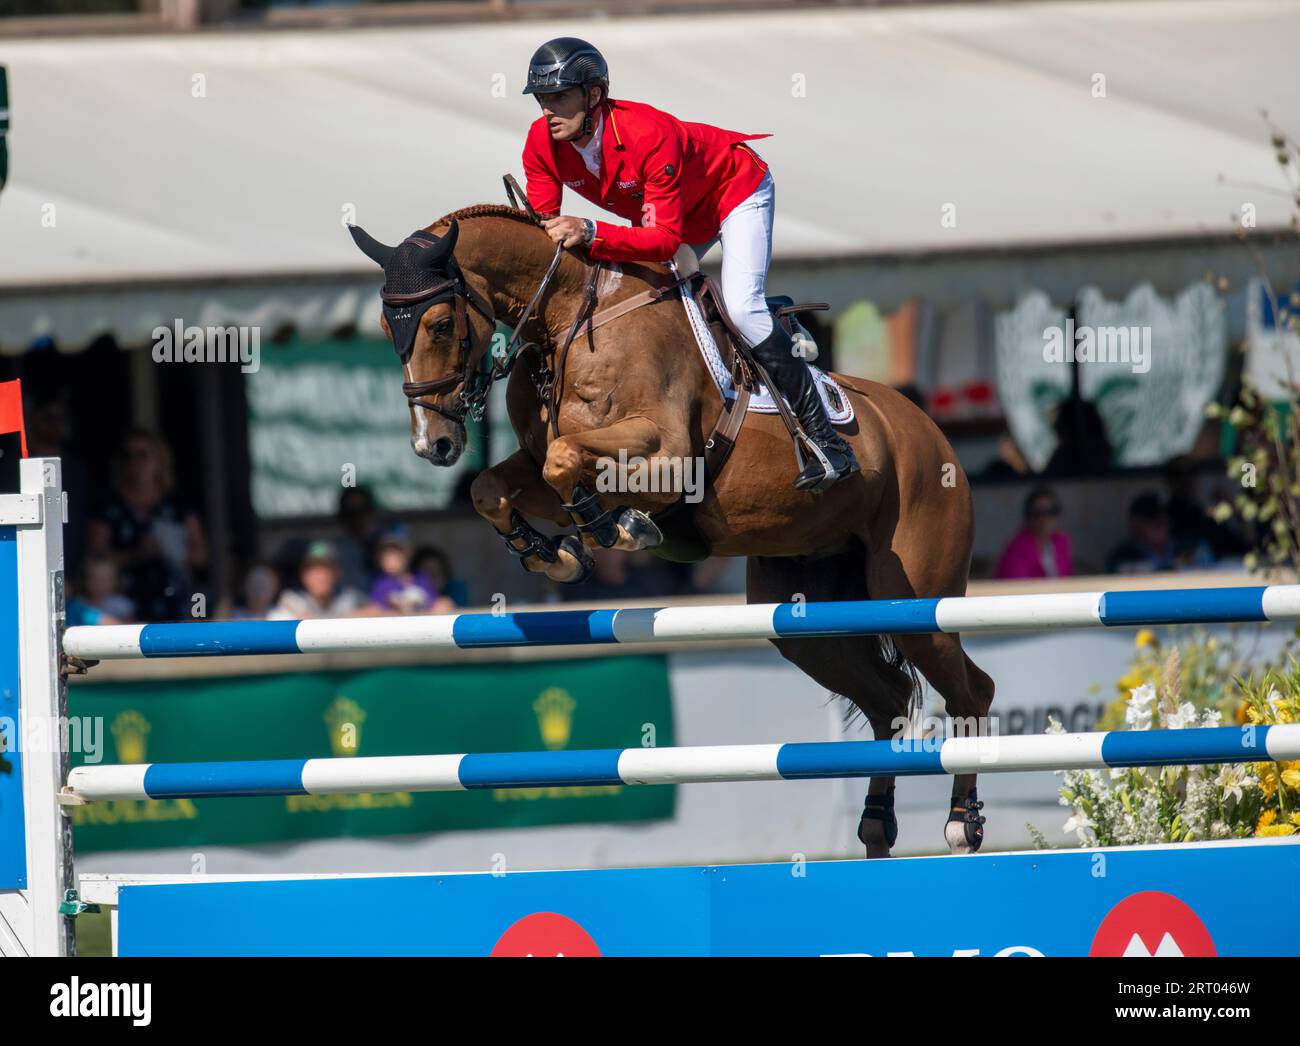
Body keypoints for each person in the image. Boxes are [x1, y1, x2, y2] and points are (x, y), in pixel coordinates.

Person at [520, 37, 858, 492]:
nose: (548, 110)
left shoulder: (647, 133)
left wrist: (594, 232)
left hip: (735, 191)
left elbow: (663, 241)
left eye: (560, 96)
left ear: (594, 95)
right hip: (674, 215)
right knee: (639, 299)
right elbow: (547, 234)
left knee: (742, 307)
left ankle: (827, 442)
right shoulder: (541, 142)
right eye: (543, 98)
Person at [85, 430, 209, 622]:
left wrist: (173, 550)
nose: (135, 463)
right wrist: (136, 554)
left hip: (178, 600)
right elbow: (95, 556)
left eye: (144, 455)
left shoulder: (178, 505)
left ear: (159, 460)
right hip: (124, 606)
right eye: (128, 456)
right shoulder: (108, 506)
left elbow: (201, 557)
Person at [1107, 492, 1214, 574]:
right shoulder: (1122, 555)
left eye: (1164, 518)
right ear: (1136, 524)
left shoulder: (1190, 545)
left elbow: (1210, 566)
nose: (1161, 524)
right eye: (1152, 519)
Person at [268, 541, 373, 620]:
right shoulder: (292, 599)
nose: (319, 577)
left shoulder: (351, 597)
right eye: (312, 570)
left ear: (337, 573)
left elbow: (376, 613)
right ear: (303, 575)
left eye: (325, 570)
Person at [370, 526, 456, 615]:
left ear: (408, 554)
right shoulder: (381, 583)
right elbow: (377, 608)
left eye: (395, 554)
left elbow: (433, 602)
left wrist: (441, 604)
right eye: (386, 555)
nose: (390, 559)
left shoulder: (421, 577)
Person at [995, 488, 1074, 580]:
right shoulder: (1017, 547)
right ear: (1028, 517)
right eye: (1038, 513)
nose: (1045, 519)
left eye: (1051, 512)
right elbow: (1017, 587)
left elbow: (1067, 580)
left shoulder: (1061, 542)